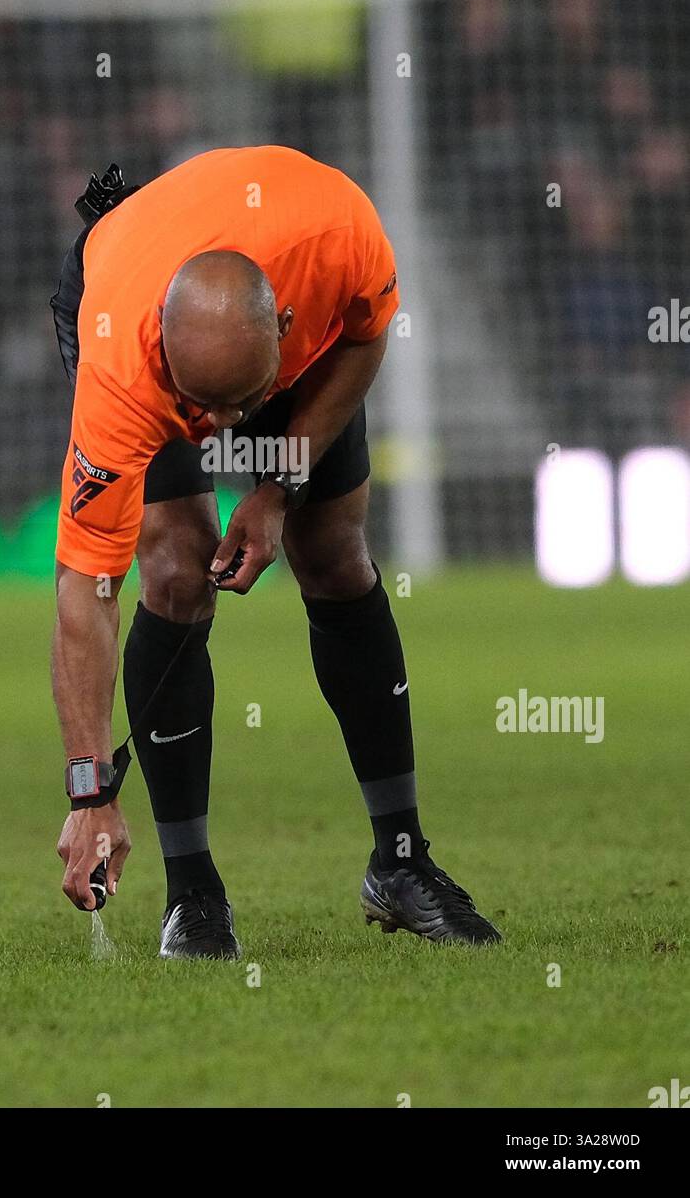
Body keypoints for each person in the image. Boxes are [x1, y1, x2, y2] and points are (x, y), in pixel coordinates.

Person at [51, 145, 500, 957]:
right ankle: (192, 896)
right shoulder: (123, 377)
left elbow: (366, 338)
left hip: (280, 297)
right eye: (201, 409)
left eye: (241, 407)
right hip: (120, 291)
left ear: (284, 332)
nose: (221, 434)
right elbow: (85, 592)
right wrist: (88, 792)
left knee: (331, 552)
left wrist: (278, 489)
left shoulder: (343, 245)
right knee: (178, 572)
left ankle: (400, 864)